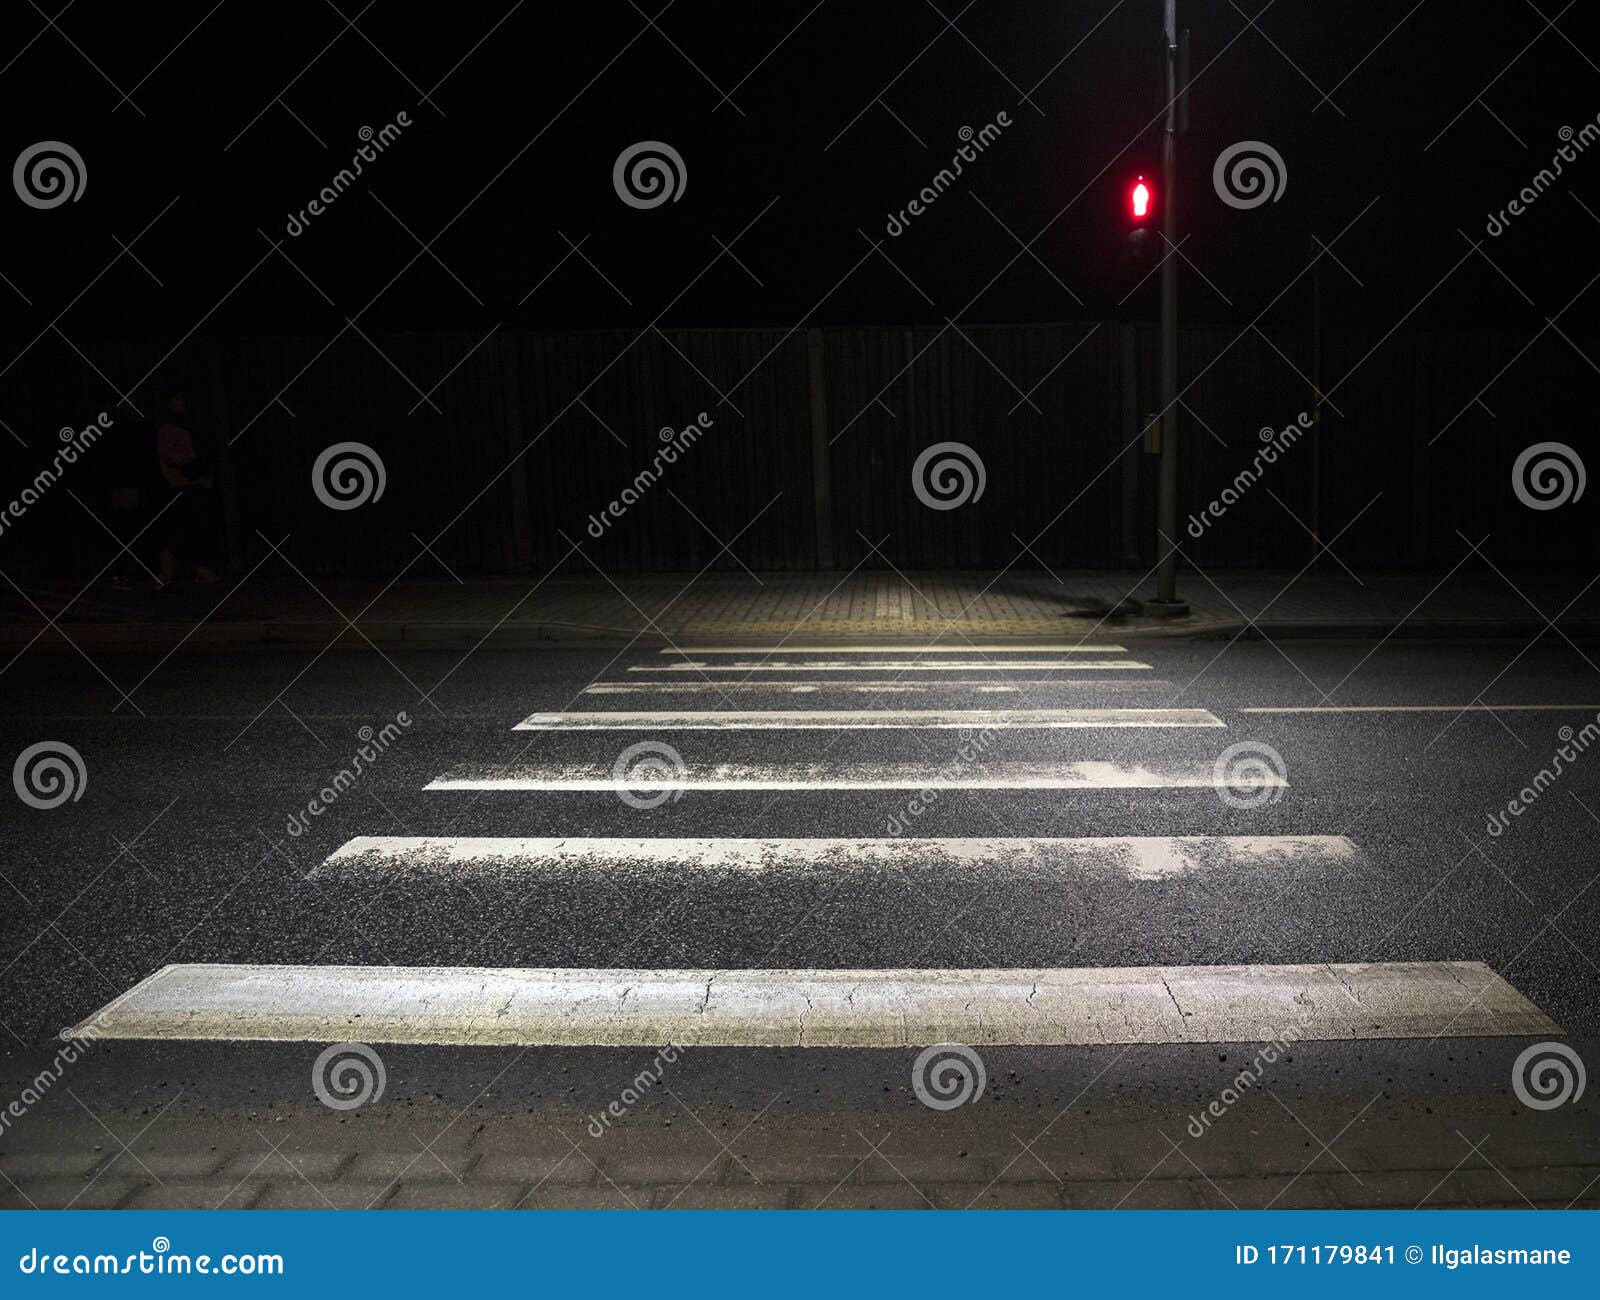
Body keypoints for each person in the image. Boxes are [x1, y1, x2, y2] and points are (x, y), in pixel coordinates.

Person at [154, 390, 221, 585]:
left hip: (192, 483)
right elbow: (171, 458)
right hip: (178, 485)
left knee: (194, 528)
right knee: (181, 529)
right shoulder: (167, 429)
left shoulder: (187, 428)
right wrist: (193, 466)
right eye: (177, 399)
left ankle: (196, 569)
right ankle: (170, 571)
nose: (181, 403)